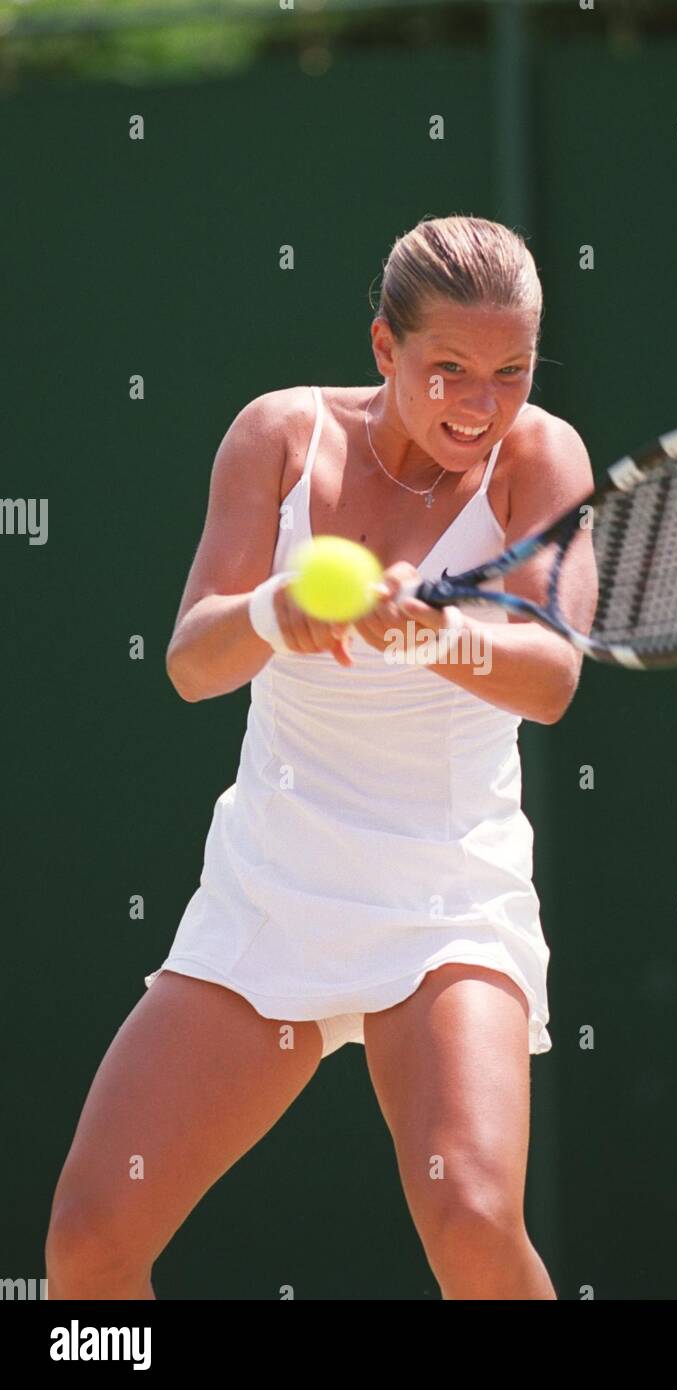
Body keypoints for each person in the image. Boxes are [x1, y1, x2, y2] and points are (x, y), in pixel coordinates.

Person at [45, 214, 598, 1300]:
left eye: (511, 372)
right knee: (89, 1241)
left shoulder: (542, 457)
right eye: (447, 369)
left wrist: (434, 632)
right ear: (384, 350)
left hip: (448, 898)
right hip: (274, 890)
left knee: (476, 1222)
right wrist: (275, 609)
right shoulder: (280, 436)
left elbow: (551, 679)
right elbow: (193, 661)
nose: (480, 405)